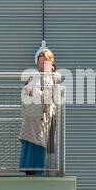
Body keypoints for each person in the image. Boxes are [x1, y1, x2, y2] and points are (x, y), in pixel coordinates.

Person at [19, 42, 62, 175]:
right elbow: (33, 93)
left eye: (47, 62)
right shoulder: (35, 76)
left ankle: (34, 171)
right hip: (35, 117)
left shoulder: (53, 78)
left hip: (44, 118)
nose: (44, 65)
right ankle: (32, 172)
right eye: (42, 62)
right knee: (34, 144)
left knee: (39, 143)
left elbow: (54, 97)